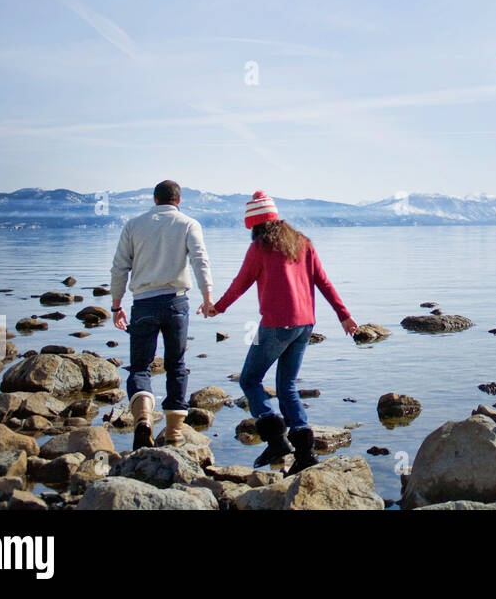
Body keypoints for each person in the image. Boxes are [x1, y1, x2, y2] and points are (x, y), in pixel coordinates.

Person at [207, 191, 357, 475]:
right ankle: (304, 454)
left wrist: (218, 307)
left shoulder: (260, 248)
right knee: (287, 385)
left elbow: (241, 283)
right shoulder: (302, 243)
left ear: (255, 225)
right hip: (305, 325)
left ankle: (275, 438)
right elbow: (323, 282)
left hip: (275, 325)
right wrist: (344, 315)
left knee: (250, 379)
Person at [110, 179, 214, 450]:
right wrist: (207, 297)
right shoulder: (188, 224)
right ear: (178, 201)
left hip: (143, 304)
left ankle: (143, 418)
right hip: (176, 304)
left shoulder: (133, 225)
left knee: (140, 367)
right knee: (176, 365)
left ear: (154, 200)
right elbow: (200, 260)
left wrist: (115, 304)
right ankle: (173, 433)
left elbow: (119, 267)